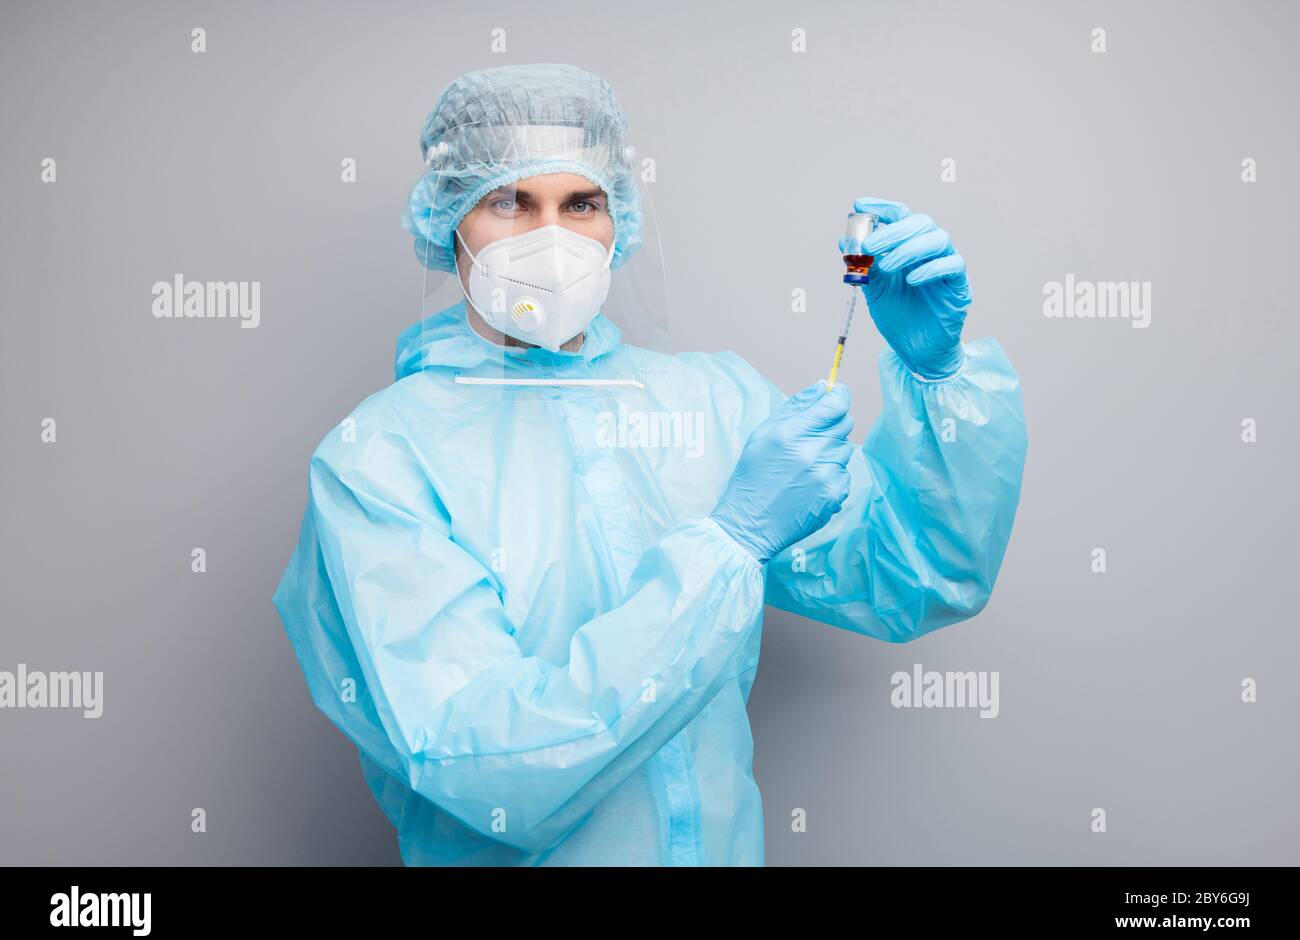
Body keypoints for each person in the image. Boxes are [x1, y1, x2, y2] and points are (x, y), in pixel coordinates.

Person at [273, 62, 1027, 866]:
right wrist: (728, 544)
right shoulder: (380, 461)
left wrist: (936, 379)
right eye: (510, 202)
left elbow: (916, 576)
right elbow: (487, 769)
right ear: (447, 219)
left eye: (581, 204)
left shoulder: (712, 403)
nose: (550, 240)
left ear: (618, 221)